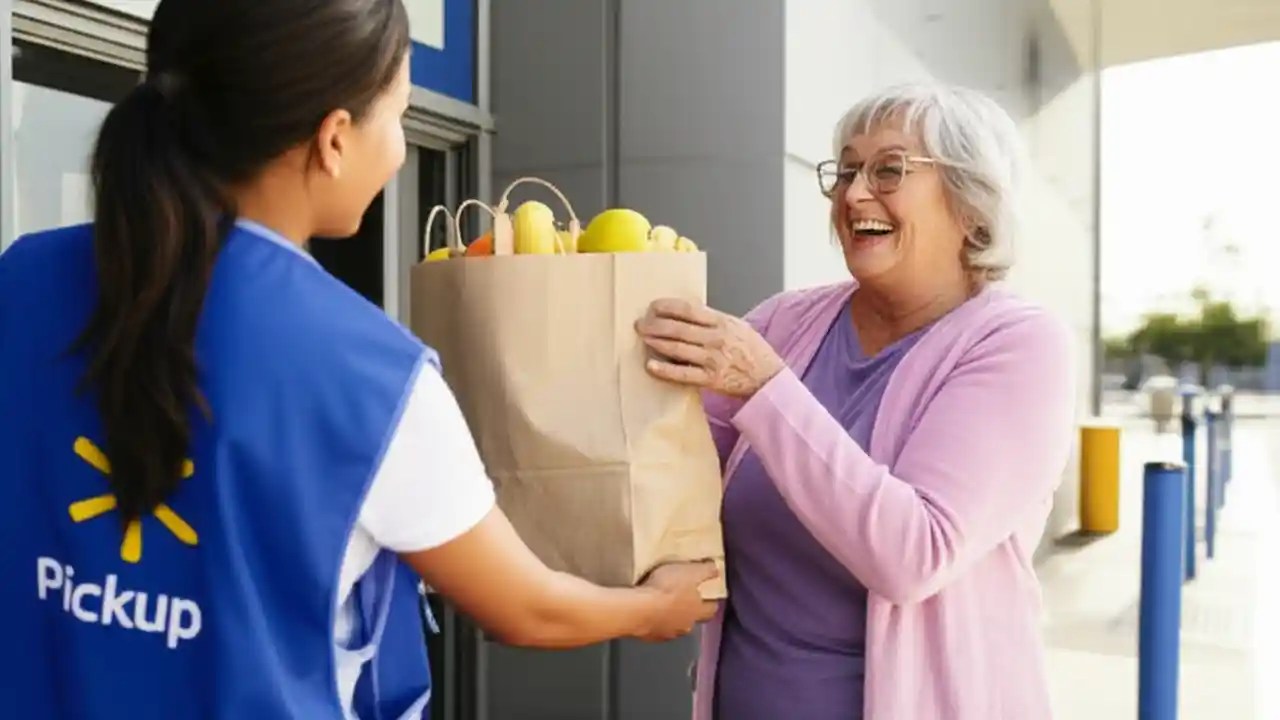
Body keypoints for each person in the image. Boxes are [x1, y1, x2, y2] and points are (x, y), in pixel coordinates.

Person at [0, 0, 717, 717]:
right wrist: (653, 608)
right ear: (334, 138)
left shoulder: (23, 279)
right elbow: (527, 607)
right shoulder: (369, 371)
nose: (402, 149)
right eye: (399, 114)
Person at [636, 82, 1077, 720]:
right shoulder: (784, 322)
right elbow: (674, 479)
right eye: (845, 171)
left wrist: (765, 389)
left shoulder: (1019, 345)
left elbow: (915, 552)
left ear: (971, 203)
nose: (853, 193)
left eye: (888, 170)